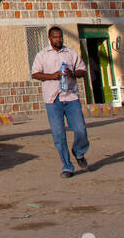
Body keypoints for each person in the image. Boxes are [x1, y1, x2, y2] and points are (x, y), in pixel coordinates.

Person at [31, 25, 91, 178]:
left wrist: (72, 73)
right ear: (50, 38)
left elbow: (82, 71)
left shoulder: (70, 53)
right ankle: (67, 166)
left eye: (60, 37)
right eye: (55, 37)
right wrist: (52, 76)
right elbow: (35, 74)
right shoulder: (42, 55)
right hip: (53, 99)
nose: (58, 40)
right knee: (59, 134)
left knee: (80, 129)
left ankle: (79, 152)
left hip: (71, 97)